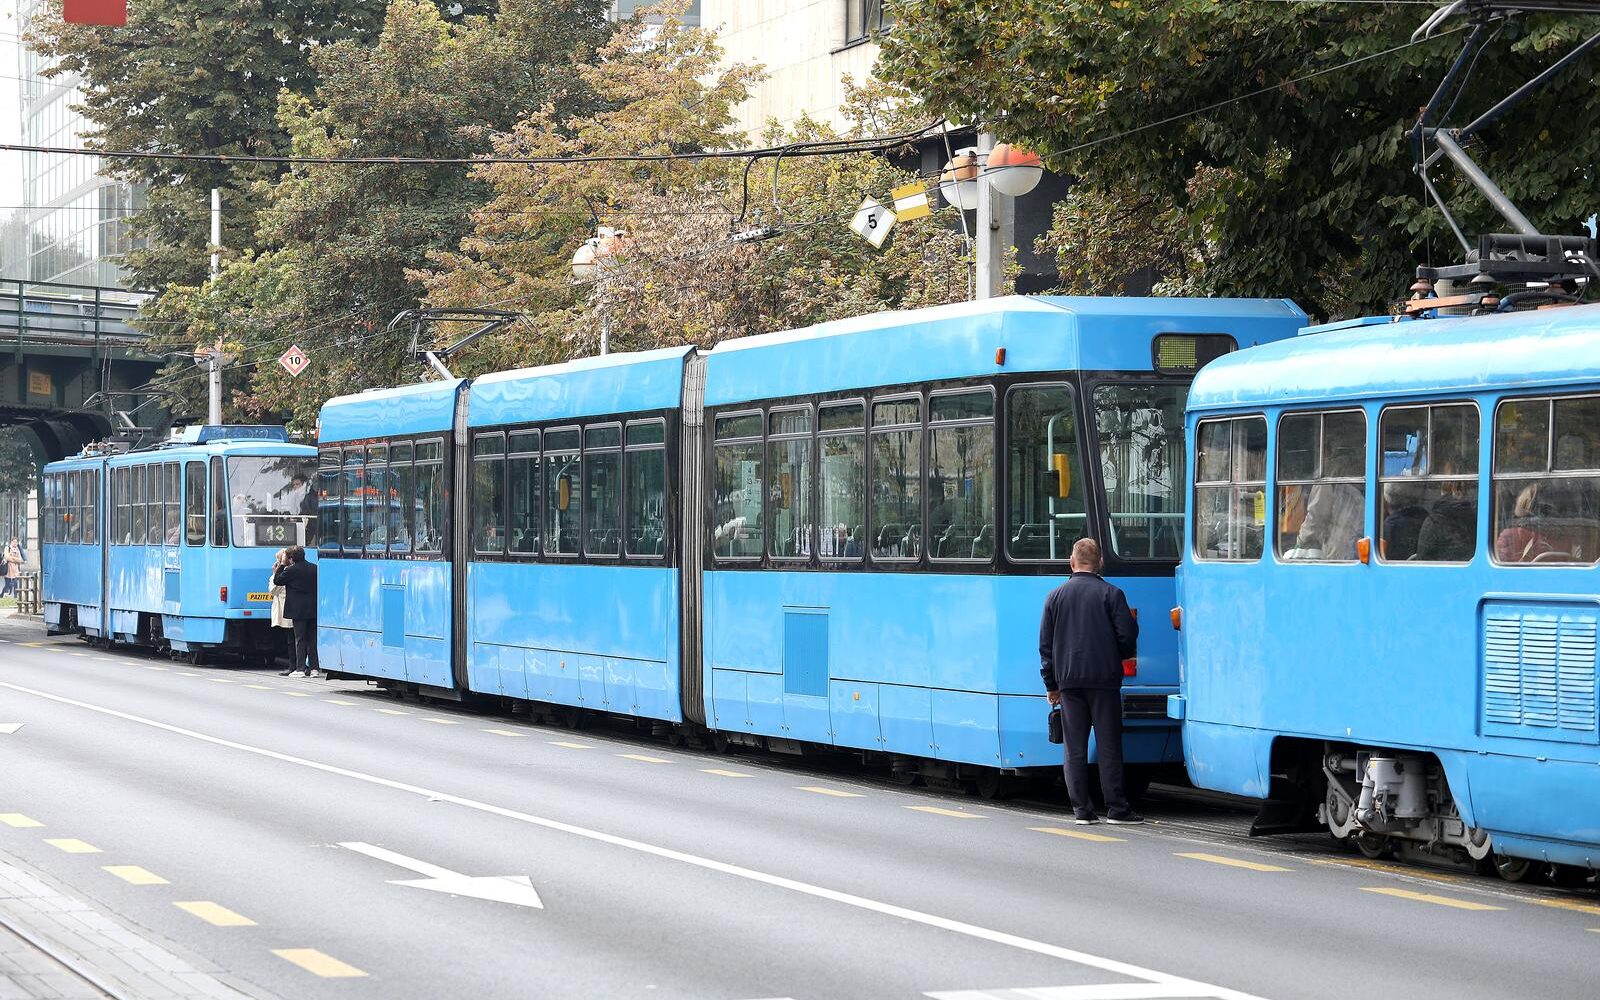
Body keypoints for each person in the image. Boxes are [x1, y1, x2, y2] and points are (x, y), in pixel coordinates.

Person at [1038, 537, 1142, 825]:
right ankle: (1117, 809)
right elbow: (1128, 636)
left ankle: (1082, 810)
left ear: (1072, 563)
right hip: (1104, 680)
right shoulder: (1112, 594)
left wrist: (1051, 685)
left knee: (1074, 748)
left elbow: (1045, 647)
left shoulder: (1054, 597)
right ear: (1100, 564)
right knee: (1109, 745)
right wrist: (1114, 655)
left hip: (1069, 681)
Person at [273, 545, 319, 678]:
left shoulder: (291, 570)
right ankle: (314, 668)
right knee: (312, 640)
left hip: (298, 610)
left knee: (300, 639)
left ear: (291, 558)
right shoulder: (314, 568)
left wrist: (281, 565)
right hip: (313, 608)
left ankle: (300, 668)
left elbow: (278, 580)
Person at [268, 548, 294, 666]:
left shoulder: (285, 574)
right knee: (294, 639)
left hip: (287, 610)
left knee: (292, 640)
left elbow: (274, 590)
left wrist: (275, 573)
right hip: (288, 610)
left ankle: (294, 665)